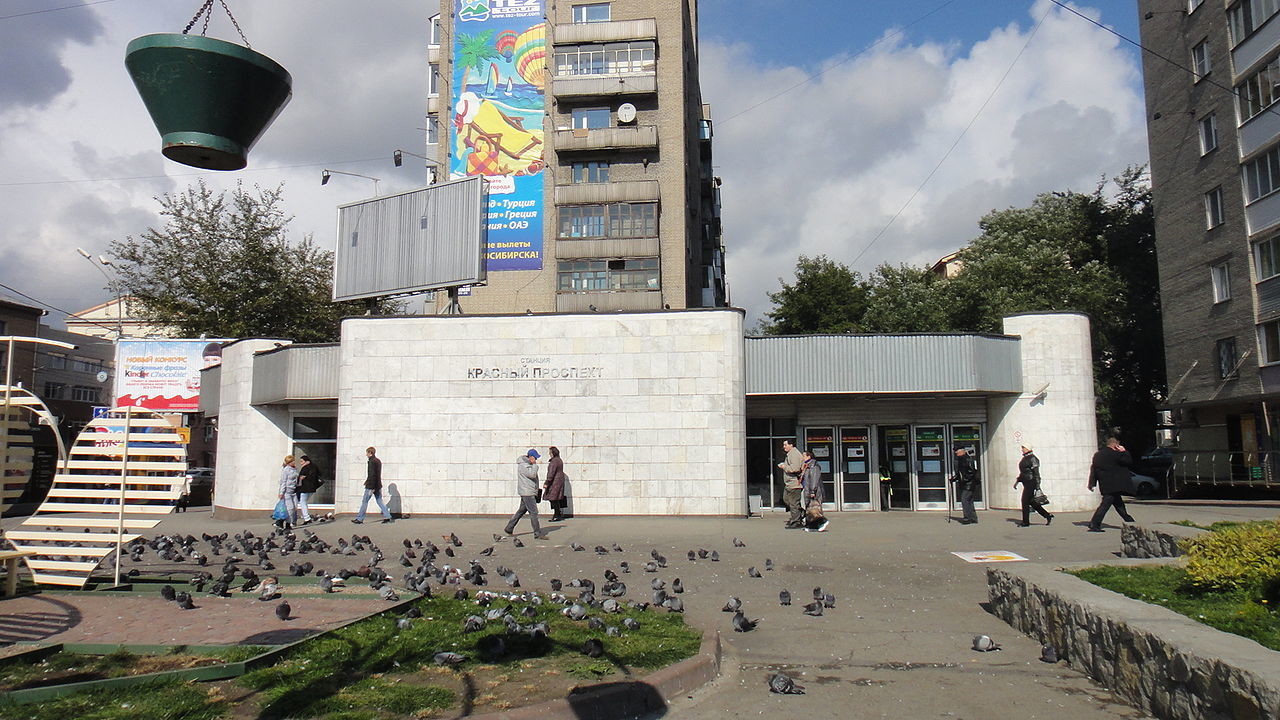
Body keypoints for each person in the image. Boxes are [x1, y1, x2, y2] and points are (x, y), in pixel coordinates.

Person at [1087, 435, 1135, 532]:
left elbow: (1094, 470)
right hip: (1115, 485)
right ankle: (1095, 523)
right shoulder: (1116, 454)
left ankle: (1130, 521)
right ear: (1115, 445)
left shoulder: (1098, 455)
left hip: (1105, 484)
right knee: (1105, 505)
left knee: (1119, 504)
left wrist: (1092, 483)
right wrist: (1124, 451)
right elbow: (1128, 461)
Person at [505, 449, 547, 538]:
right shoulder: (524, 465)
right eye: (535, 457)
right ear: (531, 457)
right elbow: (532, 475)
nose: (536, 459)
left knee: (521, 511)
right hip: (528, 492)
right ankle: (537, 533)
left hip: (527, 491)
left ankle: (509, 527)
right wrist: (535, 465)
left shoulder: (526, 464)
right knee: (534, 512)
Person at [1013, 445, 1053, 527]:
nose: (1022, 449)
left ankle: (1026, 522)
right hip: (1026, 481)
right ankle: (1047, 515)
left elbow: (1036, 473)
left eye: (1023, 448)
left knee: (1024, 501)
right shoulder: (1025, 458)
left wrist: (1037, 486)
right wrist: (1018, 481)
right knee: (1032, 502)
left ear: (1028, 448)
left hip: (1031, 482)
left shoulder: (1033, 458)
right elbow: (1023, 472)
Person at [353, 446, 392, 524]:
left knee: (365, 501)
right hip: (378, 484)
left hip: (371, 486)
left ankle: (360, 518)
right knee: (379, 500)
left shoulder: (371, 461)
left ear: (370, 453)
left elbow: (372, 475)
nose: (366, 454)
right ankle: (388, 516)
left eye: (367, 452)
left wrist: (371, 486)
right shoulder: (378, 461)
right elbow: (377, 474)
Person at [777, 440, 804, 528]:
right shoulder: (790, 454)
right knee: (786, 500)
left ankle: (796, 522)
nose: (783, 446)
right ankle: (801, 513)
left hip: (794, 484)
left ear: (791, 445)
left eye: (785, 444)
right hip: (789, 484)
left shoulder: (794, 454)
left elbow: (795, 468)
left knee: (793, 503)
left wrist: (784, 467)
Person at [951, 447, 979, 524]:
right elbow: (960, 473)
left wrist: (965, 480)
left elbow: (971, 472)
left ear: (962, 452)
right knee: (969, 500)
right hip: (966, 483)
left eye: (957, 452)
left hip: (969, 484)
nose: (956, 453)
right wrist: (954, 478)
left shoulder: (966, 460)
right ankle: (973, 517)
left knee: (965, 500)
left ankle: (967, 518)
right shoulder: (961, 460)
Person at [544, 446, 569, 522]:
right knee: (555, 498)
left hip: (554, 482)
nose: (549, 453)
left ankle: (557, 514)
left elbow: (551, 472)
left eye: (550, 452)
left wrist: (547, 482)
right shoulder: (559, 460)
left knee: (552, 498)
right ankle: (557, 513)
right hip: (559, 481)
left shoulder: (554, 461)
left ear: (552, 453)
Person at [296, 455, 322, 524]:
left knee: (302, 502)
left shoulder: (305, 468)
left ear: (307, 461)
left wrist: (302, 478)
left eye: (302, 461)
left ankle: (307, 518)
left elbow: (301, 477)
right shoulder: (314, 467)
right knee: (304, 501)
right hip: (312, 488)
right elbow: (319, 474)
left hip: (305, 488)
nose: (301, 463)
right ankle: (307, 517)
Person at [277, 455, 298, 530]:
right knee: (290, 508)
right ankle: (287, 523)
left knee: (295, 507)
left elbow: (296, 479)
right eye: (292, 461)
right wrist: (281, 492)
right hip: (287, 492)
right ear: (289, 462)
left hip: (294, 491)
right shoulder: (286, 470)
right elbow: (283, 482)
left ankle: (284, 522)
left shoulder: (294, 469)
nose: (294, 462)